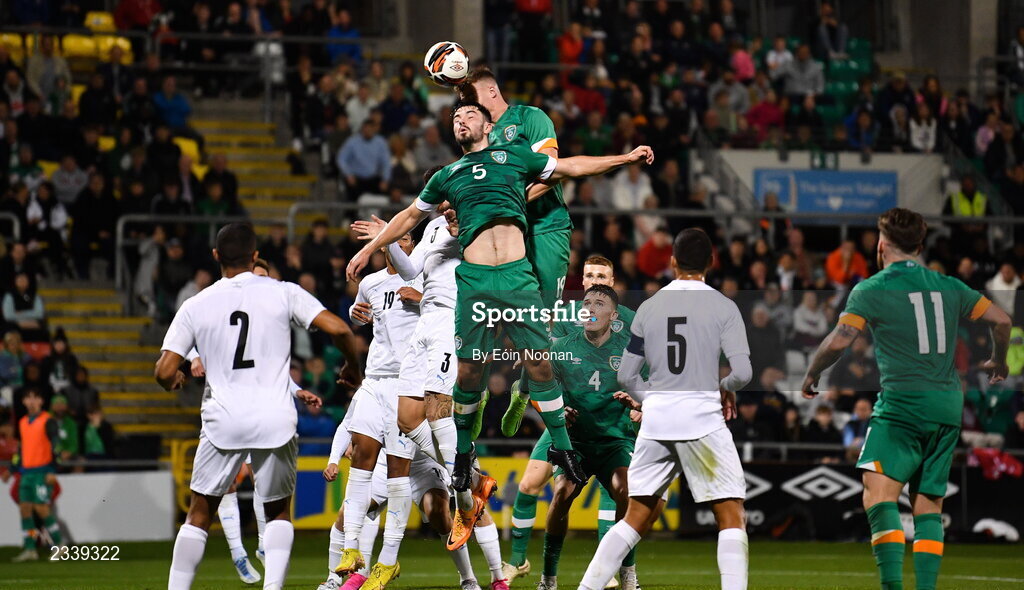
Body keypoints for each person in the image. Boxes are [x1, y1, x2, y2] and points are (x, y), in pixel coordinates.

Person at [346, 101, 653, 549]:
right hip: (473, 281)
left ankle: (565, 450)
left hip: (515, 276)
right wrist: (368, 248)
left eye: (468, 115)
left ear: (488, 125)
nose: (460, 121)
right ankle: (465, 454)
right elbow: (410, 217)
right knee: (470, 374)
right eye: (454, 118)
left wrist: (623, 158)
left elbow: (568, 167)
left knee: (539, 365)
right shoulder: (446, 175)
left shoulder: (514, 158)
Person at [801, 207, 1011, 590]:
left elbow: (840, 340)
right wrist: (999, 358)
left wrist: (813, 372)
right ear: (920, 244)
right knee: (929, 503)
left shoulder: (873, 288)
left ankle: (892, 587)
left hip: (903, 406)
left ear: (882, 245)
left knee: (877, 493)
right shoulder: (950, 286)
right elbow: (1002, 320)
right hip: (947, 408)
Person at [154, 223, 363, 590]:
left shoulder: (196, 304)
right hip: (275, 418)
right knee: (278, 510)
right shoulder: (283, 293)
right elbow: (341, 330)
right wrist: (351, 367)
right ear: (255, 257)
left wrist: (173, 380)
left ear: (217, 257)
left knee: (199, 513)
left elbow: (164, 370)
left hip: (223, 420)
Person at [576, 227, 752, 590]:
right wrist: (725, 388)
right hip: (702, 419)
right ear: (712, 262)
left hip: (657, 420)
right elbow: (744, 373)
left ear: (672, 262)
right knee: (731, 516)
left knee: (634, 518)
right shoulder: (724, 307)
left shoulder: (649, 308)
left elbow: (626, 375)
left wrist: (650, 398)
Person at [455, 68, 579, 443]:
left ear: (490, 90)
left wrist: (508, 201)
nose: (465, 105)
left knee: (546, 326)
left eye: (470, 96)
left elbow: (552, 172)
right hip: (507, 242)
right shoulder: (480, 136)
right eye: (461, 103)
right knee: (488, 321)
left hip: (546, 229)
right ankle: (473, 400)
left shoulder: (529, 118)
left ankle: (522, 393)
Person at [503, 255, 640, 587]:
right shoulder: (567, 318)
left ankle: (612, 570)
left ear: (613, 281)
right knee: (532, 484)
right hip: (568, 421)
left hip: (613, 426)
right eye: (590, 276)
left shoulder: (632, 324)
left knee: (620, 493)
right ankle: (523, 563)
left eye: (602, 277)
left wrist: (641, 405)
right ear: (582, 280)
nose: (595, 281)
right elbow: (551, 361)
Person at [329, 231, 423, 590]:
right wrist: (355, 314)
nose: (401, 246)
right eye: (394, 241)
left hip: (408, 385)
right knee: (361, 459)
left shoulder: (423, 278)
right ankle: (351, 550)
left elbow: (448, 311)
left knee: (399, 474)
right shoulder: (369, 282)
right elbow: (364, 320)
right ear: (383, 246)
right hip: (374, 380)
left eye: (407, 241)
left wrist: (425, 298)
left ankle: (388, 561)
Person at [539, 285, 645, 590]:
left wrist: (638, 407)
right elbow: (543, 394)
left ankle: (628, 571)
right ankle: (548, 578)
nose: (591, 308)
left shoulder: (630, 352)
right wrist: (559, 411)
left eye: (599, 304)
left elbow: (649, 394)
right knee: (561, 494)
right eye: (587, 302)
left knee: (626, 490)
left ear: (613, 316)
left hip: (615, 441)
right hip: (576, 443)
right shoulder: (561, 347)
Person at [11, 388, 63, 562]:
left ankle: (59, 545)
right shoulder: (23, 422)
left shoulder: (48, 421)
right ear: (24, 402)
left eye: (35, 397)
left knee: (41, 509)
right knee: (25, 510)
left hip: (42, 471)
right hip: (26, 473)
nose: (31, 401)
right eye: (28, 398)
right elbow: (21, 449)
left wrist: (52, 470)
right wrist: (12, 469)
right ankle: (30, 547)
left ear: (41, 401)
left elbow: (56, 445)